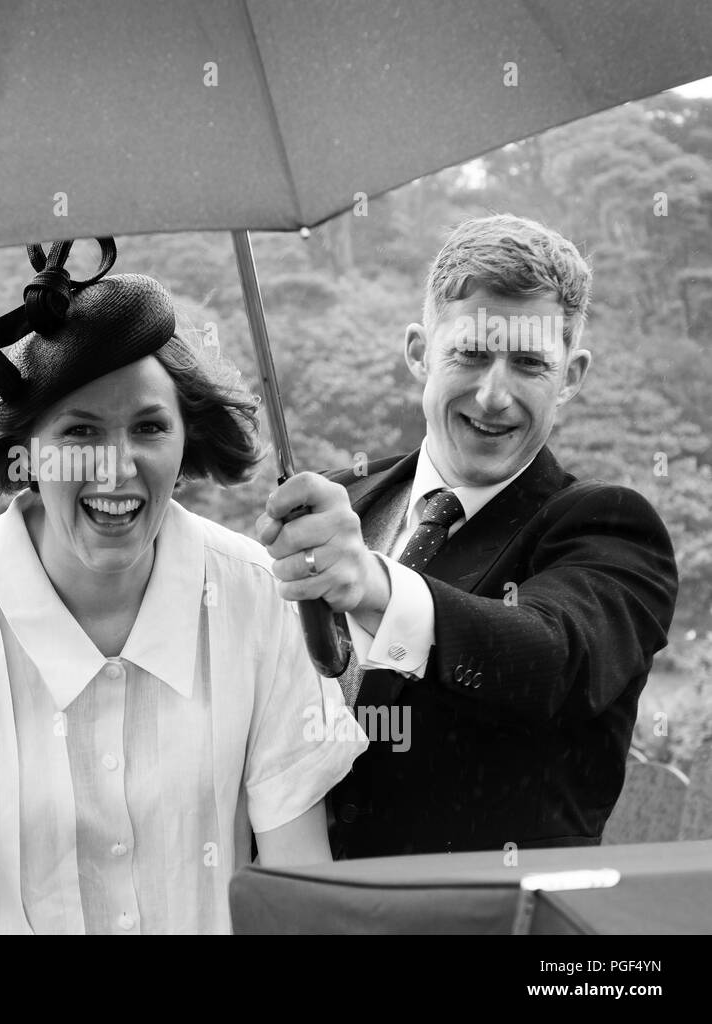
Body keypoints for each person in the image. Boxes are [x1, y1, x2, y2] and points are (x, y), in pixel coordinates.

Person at [0, 239, 366, 934]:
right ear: (26, 452)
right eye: (80, 432)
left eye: (149, 426)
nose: (117, 466)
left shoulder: (257, 598)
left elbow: (300, 899)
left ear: (187, 438)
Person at [258, 214, 679, 857]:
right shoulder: (332, 512)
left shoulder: (611, 528)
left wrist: (378, 585)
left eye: (530, 364)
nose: (492, 396)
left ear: (571, 376)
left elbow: (550, 660)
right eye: (472, 354)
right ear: (419, 351)